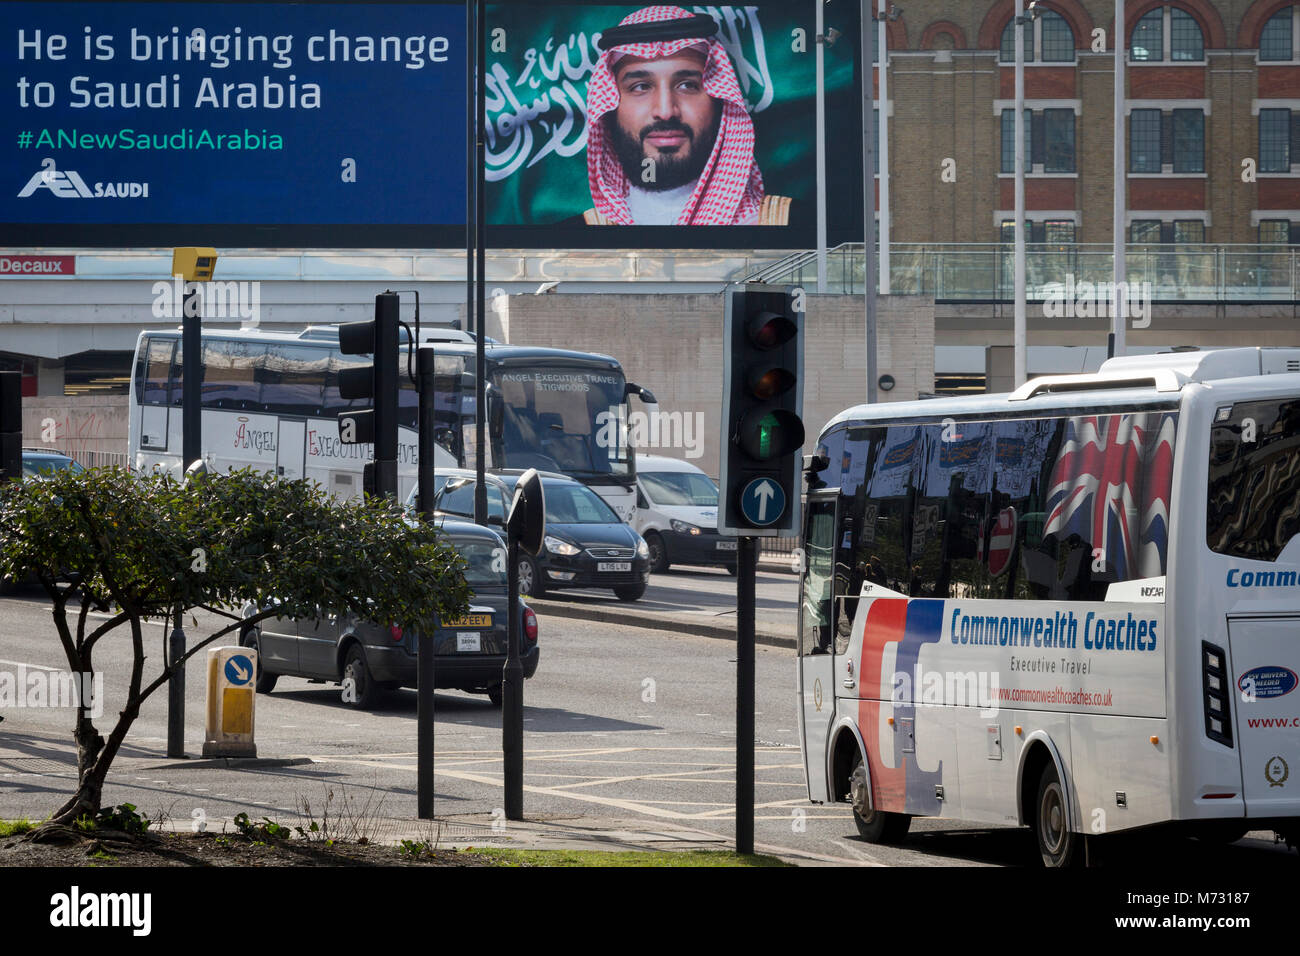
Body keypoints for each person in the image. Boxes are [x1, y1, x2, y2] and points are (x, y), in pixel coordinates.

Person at [580, 5, 792, 226]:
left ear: (720, 101)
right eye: (640, 87)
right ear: (609, 109)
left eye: (687, 85)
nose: (665, 111)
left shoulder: (800, 228)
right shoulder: (564, 250)